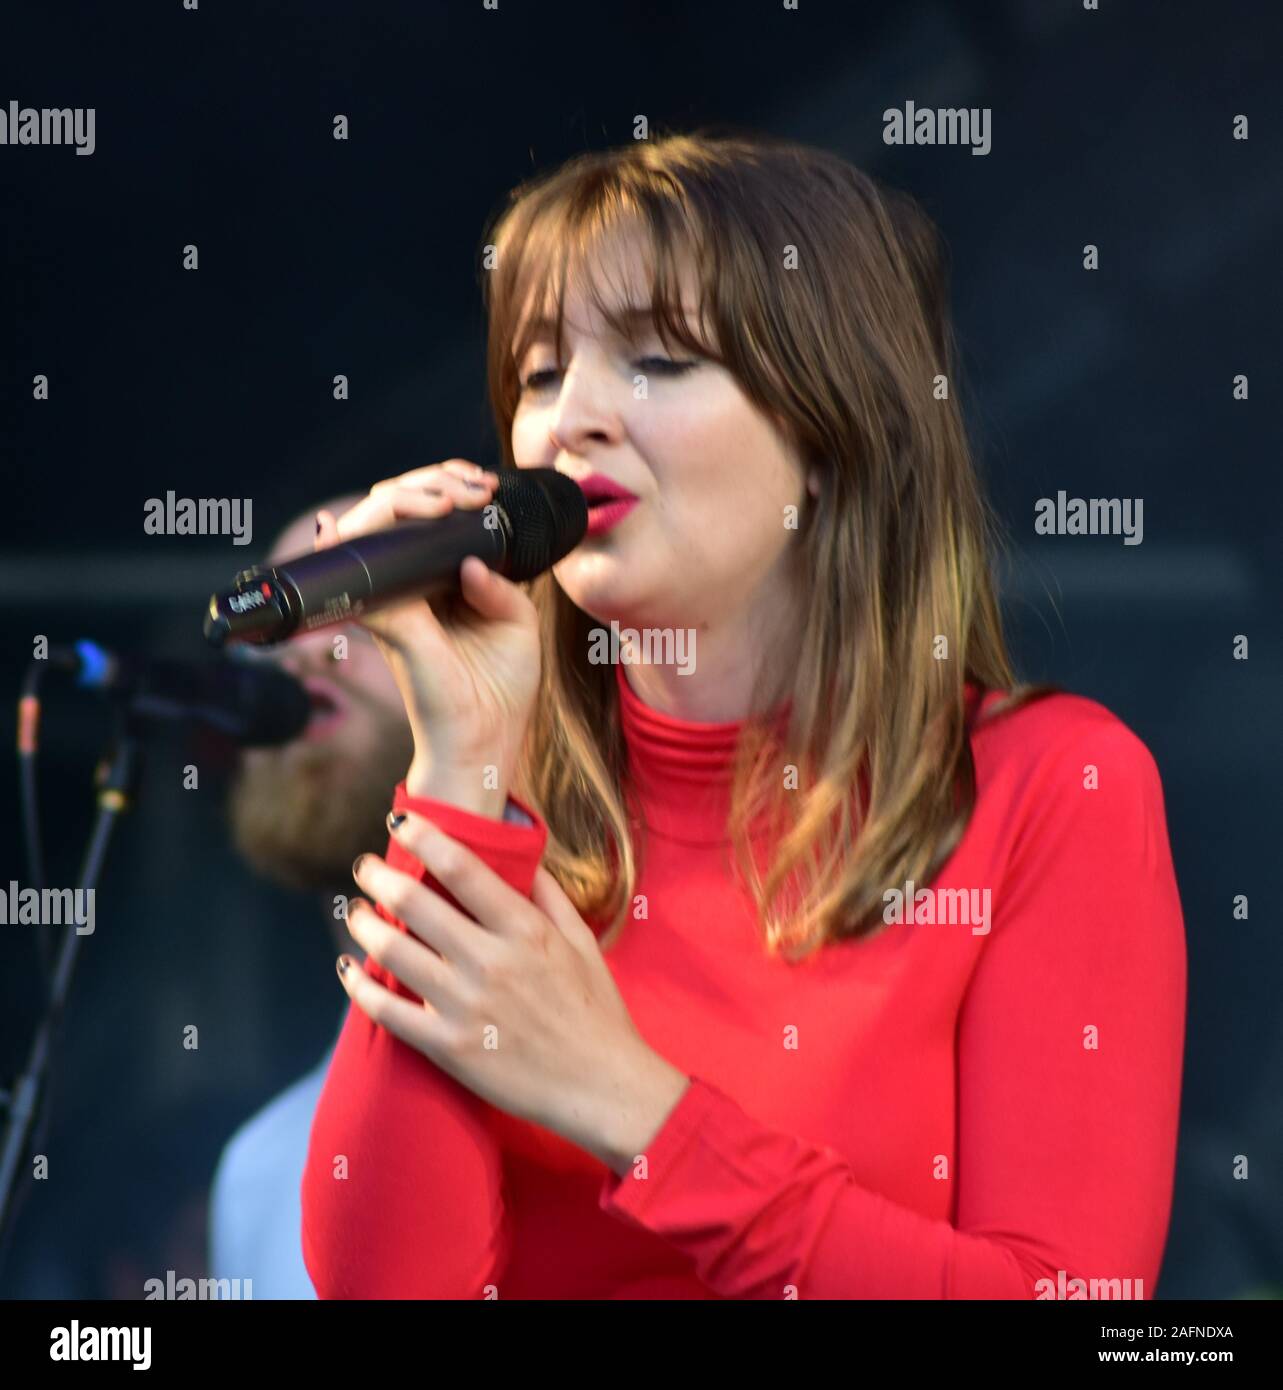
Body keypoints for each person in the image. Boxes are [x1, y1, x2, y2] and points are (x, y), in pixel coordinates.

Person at [301, 130, 1187, 1299]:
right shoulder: (505, 810)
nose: (571, 421)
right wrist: (461, 757)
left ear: (829, 429)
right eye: (538, 372)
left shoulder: (1048, 785)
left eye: (657, 360)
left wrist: (628, 1104)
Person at [208, 496, 416, 1298]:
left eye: (354, 607)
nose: (299, 657)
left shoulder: (617, 1074)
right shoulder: (259, 1173)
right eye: (275, 628)